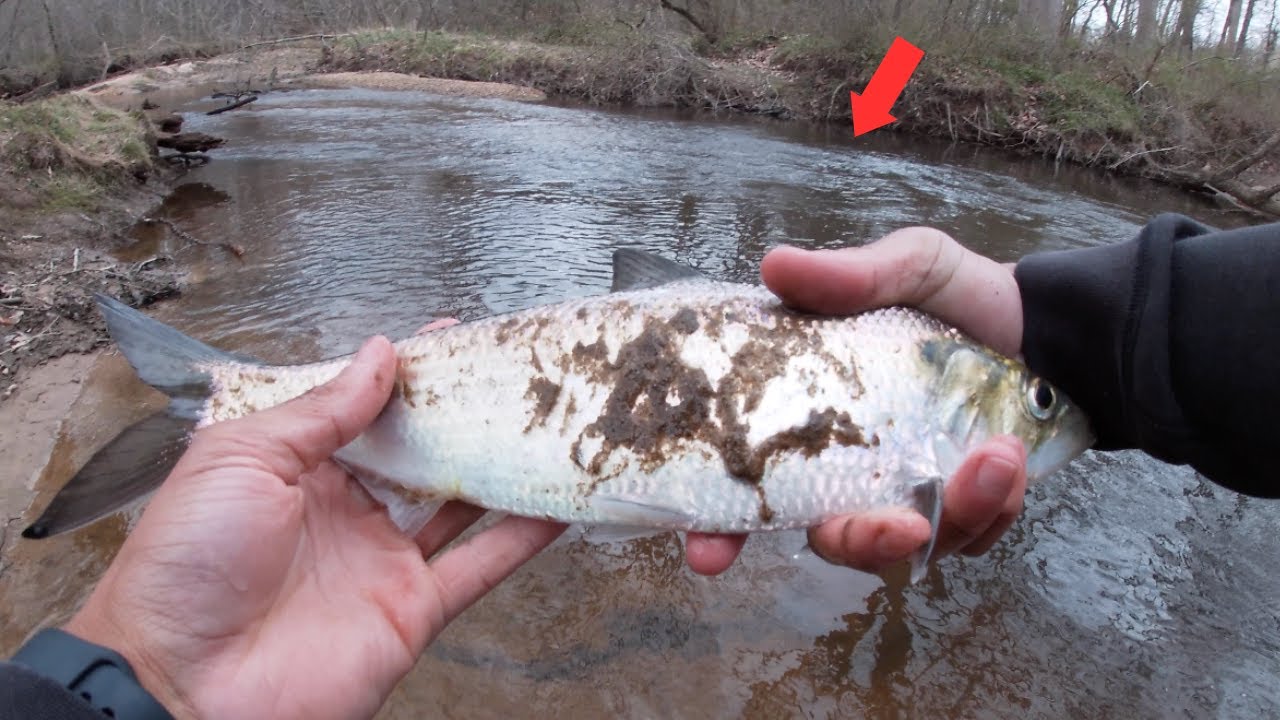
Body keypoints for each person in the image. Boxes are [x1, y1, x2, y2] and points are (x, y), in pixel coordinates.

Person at [4, 212, 1276, 719]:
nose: (1043, 423)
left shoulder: (921, 383)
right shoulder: (914, 364)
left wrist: (131, 681)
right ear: (970, 389)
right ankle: (217, 397)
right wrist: (145, 671)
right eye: (1037, 400)